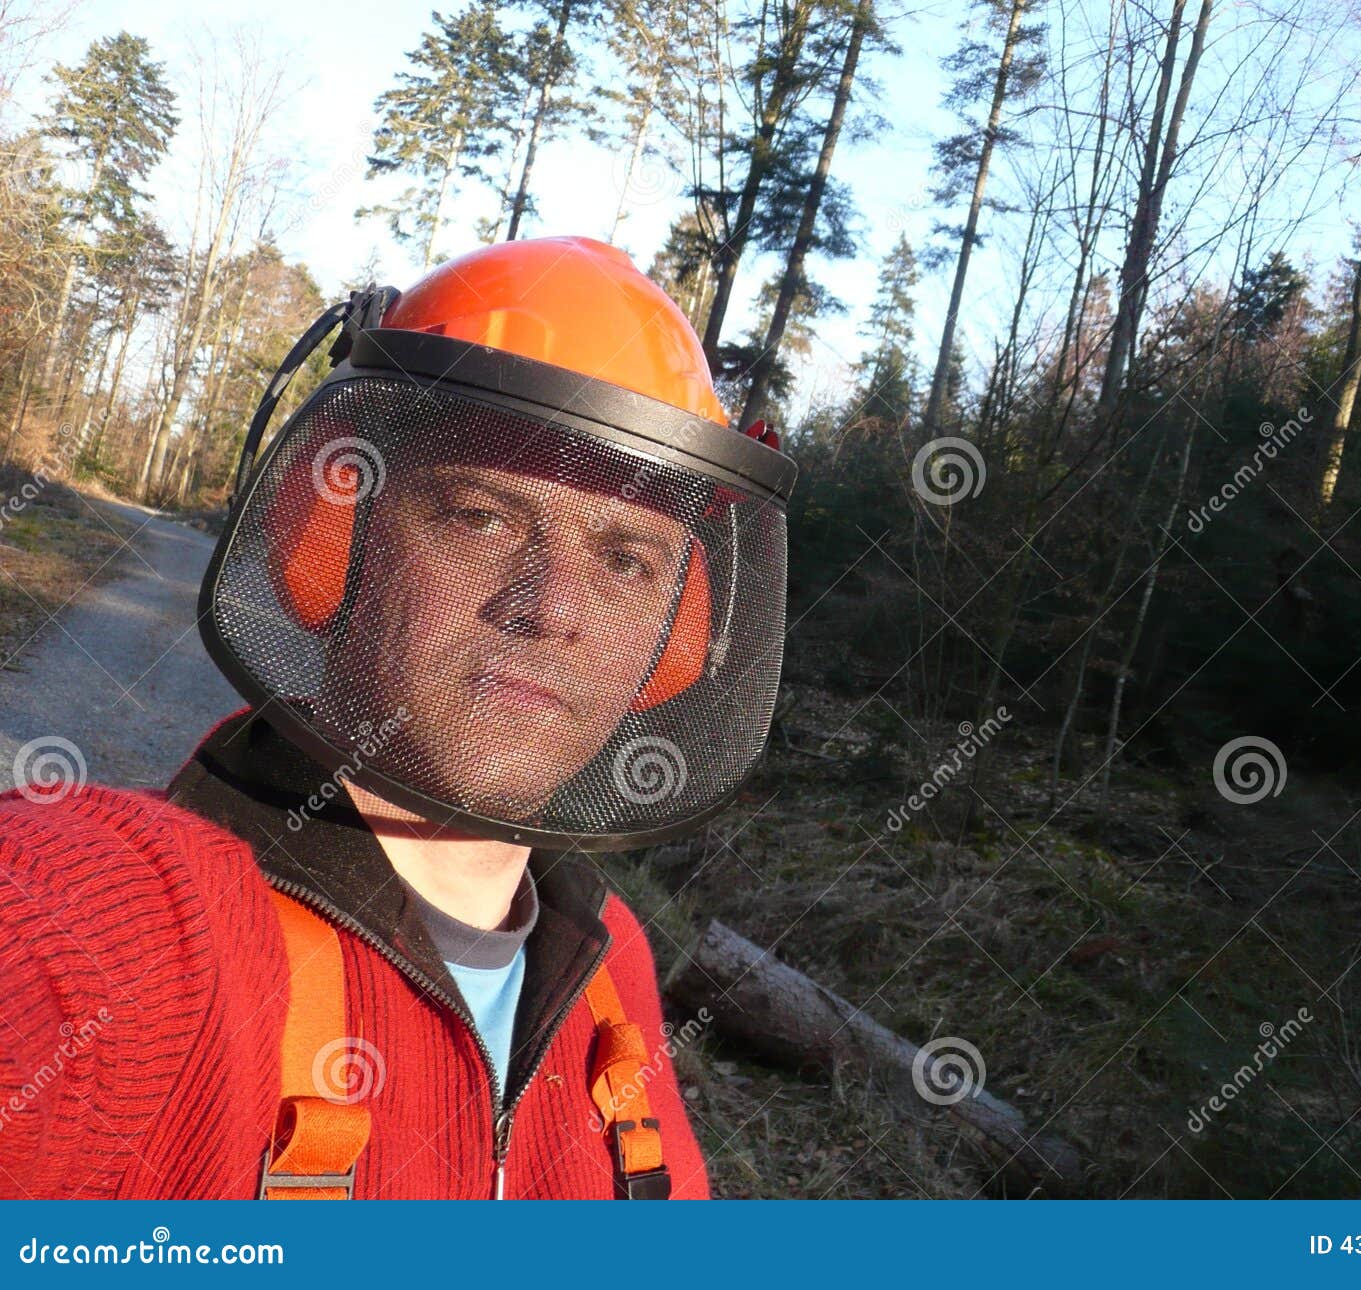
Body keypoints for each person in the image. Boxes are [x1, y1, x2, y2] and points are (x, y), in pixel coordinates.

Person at [0, 236, 796, 1199]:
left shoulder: (610, 969)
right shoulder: (133, 930)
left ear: (675, 641)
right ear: (332, 543)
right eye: (481, 515)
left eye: (627, 559)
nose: (551, 607)